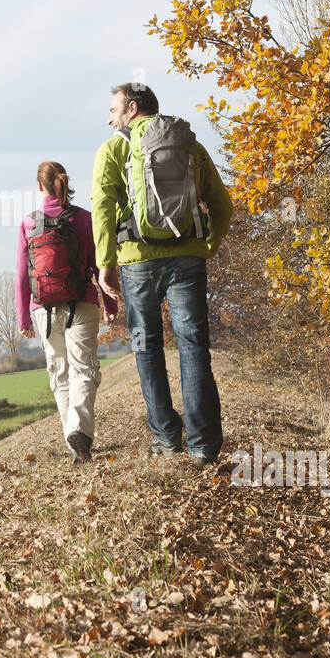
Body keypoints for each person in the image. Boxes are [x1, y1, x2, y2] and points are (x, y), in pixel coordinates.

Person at [91, 81, 232, 467]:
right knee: (193, 347)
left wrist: (106, 264)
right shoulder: (191, 146)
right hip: (188, 260)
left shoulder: (114, 150)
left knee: (146, 347)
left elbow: (102, 208)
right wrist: (206, 247)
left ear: (132, 108)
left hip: (137, 264)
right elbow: (223, 206)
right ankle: (203, 445)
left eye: (114, 109)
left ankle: (167, 439)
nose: (110, 117)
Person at [16, 161, 115, 464]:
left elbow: (22, 274)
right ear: (65, 182)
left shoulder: (29, 223)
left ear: (39, 186)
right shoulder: (84, 218)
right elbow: (100, 264)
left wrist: (23, 317)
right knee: (84, 369)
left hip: (43, 309)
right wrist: (110, 303)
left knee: (60, 374)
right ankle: (79, 432)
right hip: (81, 303)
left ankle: (76, 441)